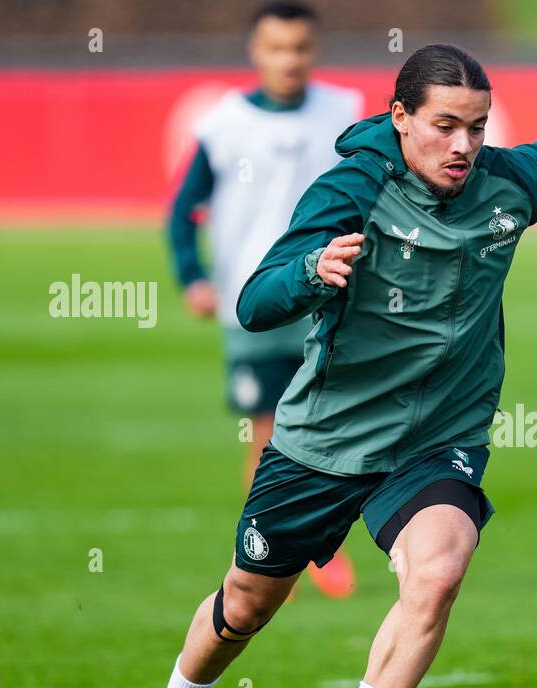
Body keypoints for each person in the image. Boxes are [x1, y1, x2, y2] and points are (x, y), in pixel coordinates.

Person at [105, 42, 537, 688]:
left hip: (438, 439)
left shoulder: (511, 181)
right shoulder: (352, 189)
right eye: (445, 126)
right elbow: (256, 301)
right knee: (245, 603)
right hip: (326, 438)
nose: (464, 145)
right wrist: (313, 269)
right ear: (400, 117)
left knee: (438, 571)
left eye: (477, 126)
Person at [167, 1, 361, 597]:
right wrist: (193, 276)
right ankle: (272, 549)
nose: (289, 60)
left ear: (314, 50)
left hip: (328, 296)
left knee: (330, 424)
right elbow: (182, 210)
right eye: (277, 48)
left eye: (299, 48)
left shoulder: (344, 113)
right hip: (253, 304)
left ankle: (323, 546)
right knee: (267, 433)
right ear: (255, 51)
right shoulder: (225, 123)